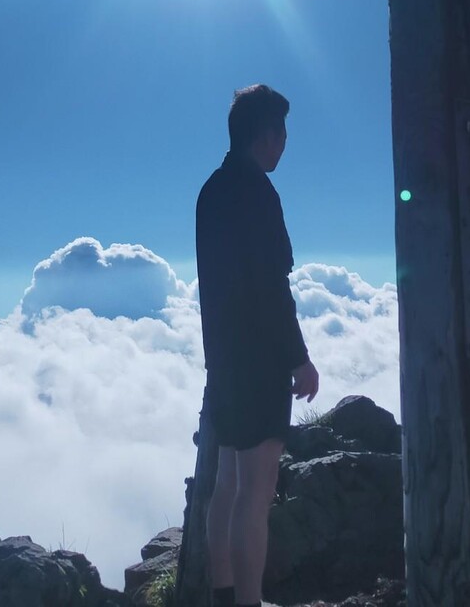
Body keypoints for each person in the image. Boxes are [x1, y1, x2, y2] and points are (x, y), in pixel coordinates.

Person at [196, 84, 320, 607]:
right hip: (259, 359)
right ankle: (248, 602)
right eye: (282, 134)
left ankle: (224, 596)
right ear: (265, 135)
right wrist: (299, 358)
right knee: (256, 490)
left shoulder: (213, 189)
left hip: (222, 359)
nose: (285, 145)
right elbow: (271, 286)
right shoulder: (258, 193)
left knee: (226, 481)